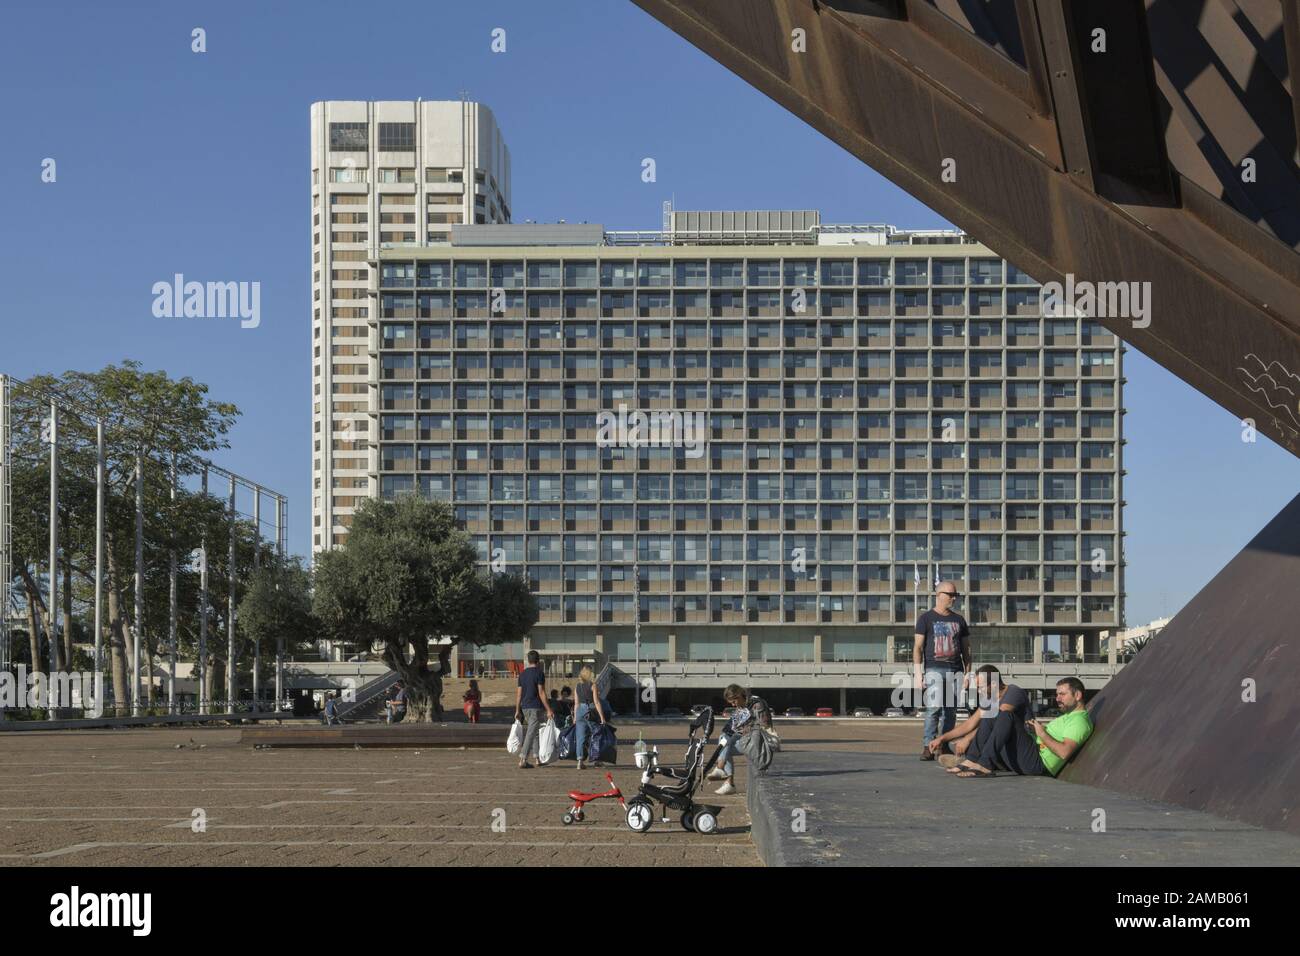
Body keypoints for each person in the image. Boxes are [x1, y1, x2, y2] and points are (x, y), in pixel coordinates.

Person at [943, 675, 1093, 778]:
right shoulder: (1067, 716)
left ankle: (984, 764)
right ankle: (971, 759)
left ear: (1078, 695)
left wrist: (1042, 733)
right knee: (994, 713)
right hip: (1032, 753)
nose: (1057, 698)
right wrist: (1036, 730)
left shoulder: (1079, 721)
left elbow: (1064, 752)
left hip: (1038, 764)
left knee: (1006, 715)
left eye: (1062, 694)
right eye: (1057, 694)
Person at [913, 581, 971, 761]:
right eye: (951, 594)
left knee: (951, 711)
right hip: (934, 669)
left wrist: (968, 674)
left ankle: (944, 745)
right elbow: (918, 648)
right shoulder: (925, 618)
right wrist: (917, 673)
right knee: (933, 709)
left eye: (956, 595)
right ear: (939, 595)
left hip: (955, 670)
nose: (954, 598)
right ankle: (928, 746)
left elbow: (967, 650)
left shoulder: (959, 620)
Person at [707, 684, 773, 795]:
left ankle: (723, 774)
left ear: (739, 696)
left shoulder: (757, 704)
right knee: (724, 740)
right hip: (747, 740)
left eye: (733, 702)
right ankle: (726, 779)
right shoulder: (742, 707)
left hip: (759, 742)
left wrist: (743, 729)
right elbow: (729, 728)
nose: (733, 705)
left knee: (725, 744)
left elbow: (765, 726)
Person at [514, 651, 554, 769]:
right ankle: (523, 759)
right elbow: (541, 692)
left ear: (528, 660)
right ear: (538, 660)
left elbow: (519, 694)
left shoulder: (522, 674)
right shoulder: (539, 673)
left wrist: (517, 710)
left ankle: (537, 758)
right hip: (535, 706)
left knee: (535, 730)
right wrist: (549, 709)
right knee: (531, 732)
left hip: (525, 706)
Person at [573, 667, 607, 770]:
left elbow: (576, 703)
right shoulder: (593, 686)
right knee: (596, 734)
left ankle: (580, 761)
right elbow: (596, 702)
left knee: (580, 737)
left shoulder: (577, 686)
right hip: (590, 710)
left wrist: (575, 717)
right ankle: (596, 760)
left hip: (580, 712)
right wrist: (602, 717)